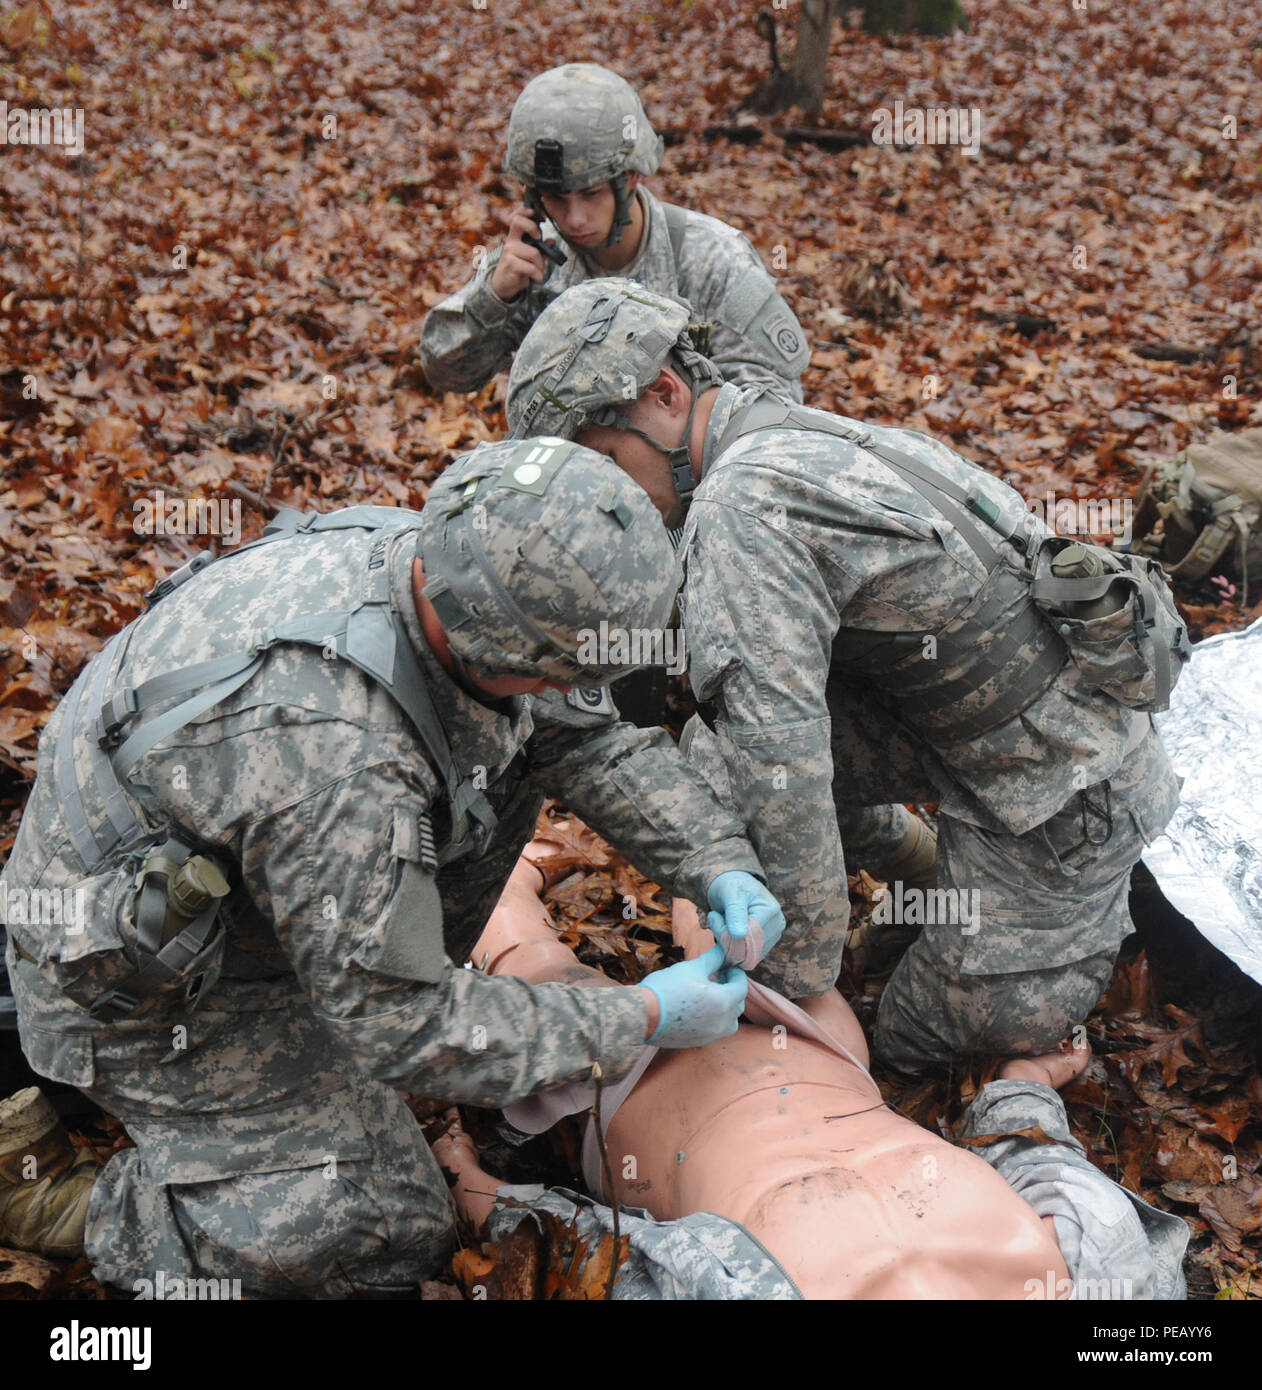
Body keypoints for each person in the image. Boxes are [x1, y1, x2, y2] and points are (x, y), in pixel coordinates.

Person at [0, 437, 785, 1297]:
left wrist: (715, 861)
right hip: (140, 980)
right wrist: (638, 1017)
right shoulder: (337, 753)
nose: (567, 689)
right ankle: (77, 1202)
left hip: (271, 898)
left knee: (519, 745)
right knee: (376, 1220)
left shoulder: (467, 565)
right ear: (500, 648)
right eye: (556, 671)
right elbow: (402, 1028)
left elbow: (587, 737)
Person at [504, 279, 1189, 1075]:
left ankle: (1012, 913)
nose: (612, 499)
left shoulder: (742, 505)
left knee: (916, 1043)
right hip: (969, 729)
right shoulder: (790, 432)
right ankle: (929, 865)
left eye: (605, 461)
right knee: (715, 753)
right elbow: (764, 738)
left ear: (663, 393)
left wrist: (792, 978)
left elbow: (782, 769)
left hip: (1068, 793)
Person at [431, 839, 1188, 1300]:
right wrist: (1023, 1084)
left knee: (528, 960)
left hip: (636, 1088)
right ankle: (702, 880)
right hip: (822, 1051)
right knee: (746, 932)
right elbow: (1040, 1165)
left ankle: (511, 883)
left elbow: (588, 1251)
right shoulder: (1104, 1282)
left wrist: (473, 1185)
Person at [419, 62, 811, 402]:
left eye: (591, 194)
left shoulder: (712, 259)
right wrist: (495, 297)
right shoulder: (529, 265)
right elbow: (445, 374)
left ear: (632, 177)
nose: (574, 220)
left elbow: (773, 402)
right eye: (556, 198)